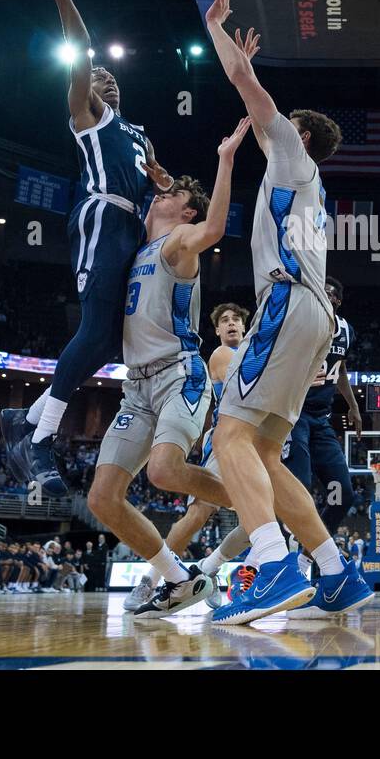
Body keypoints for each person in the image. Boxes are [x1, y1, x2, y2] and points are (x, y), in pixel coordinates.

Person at [200, 0, 372, 624]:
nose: (273, 126)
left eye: (283, 123)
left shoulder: (295, 155)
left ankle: (272, 564)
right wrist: (236, 59)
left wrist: (219, 30)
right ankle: (333, 571)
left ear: (298, 132)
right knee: (266, 452)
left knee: (229, 436)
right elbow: (249, 89)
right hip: (314, 318)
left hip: (288, 304)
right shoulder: (296, 179)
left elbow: (248, 88)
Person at [0, 0, 175, 497]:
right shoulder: (90, 118)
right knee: (95, 329)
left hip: (134, 229)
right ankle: (39, 438)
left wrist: (166, 183)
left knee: (109, 343)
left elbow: (167, 187)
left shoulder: (141, 134)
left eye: (110, 76)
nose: (106, 77)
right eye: (96, 76)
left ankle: (27, 423)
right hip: (100, 217)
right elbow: (80, 46)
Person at [87, 123, 248, 619]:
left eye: (175, 193)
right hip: (135, 387)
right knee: (102, 499)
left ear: (186, 211)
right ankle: (180, 578)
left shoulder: (179, 241)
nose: (163, 193)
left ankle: (260, 508)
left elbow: (216, 230)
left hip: (180, 373)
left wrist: (224, 160)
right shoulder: (137, 245)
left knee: (163, 471)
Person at [128, 302, 255, 612]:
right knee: (198, 514)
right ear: (217, 330)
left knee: (258, 521)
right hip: (225, 441)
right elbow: (243, 392)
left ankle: (208, 568)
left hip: (253, 442)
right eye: (224, 320)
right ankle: (151, 578)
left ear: (244, 325)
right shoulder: (222, 355)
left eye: (236, 319)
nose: (231, 324)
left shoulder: (252, 353)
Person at [282, 276, 361, 539]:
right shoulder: (300, 324)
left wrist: (353, 406)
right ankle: (280, 550)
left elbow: (340, 369)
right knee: (299, 486)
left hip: (321, 420)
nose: (321, 296)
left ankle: (311, 552)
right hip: (294, 416)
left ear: (337, 300)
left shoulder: (346, 331)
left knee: (343, 493)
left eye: (328, 293)